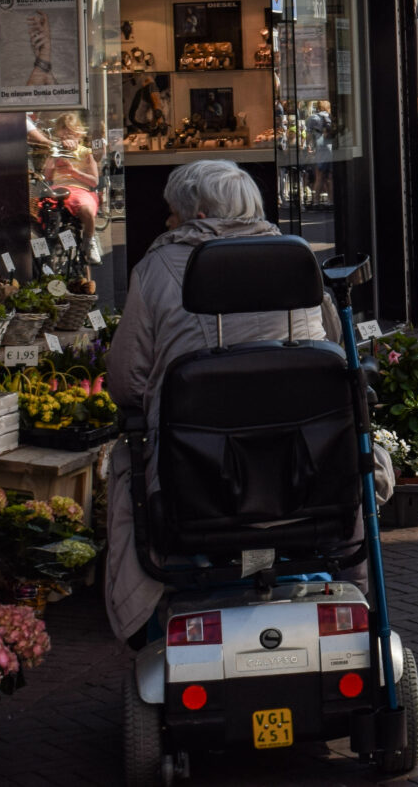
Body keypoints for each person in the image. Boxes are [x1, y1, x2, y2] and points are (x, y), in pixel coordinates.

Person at [105, 160, 344, 645]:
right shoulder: (298, 263)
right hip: (310, 477)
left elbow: (127, 382)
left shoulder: (156, 270)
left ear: (194, 214)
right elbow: (335, 348)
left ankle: (153, 616)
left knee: (127, 464)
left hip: (199, 481)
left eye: (172, 214)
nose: (167, 224)